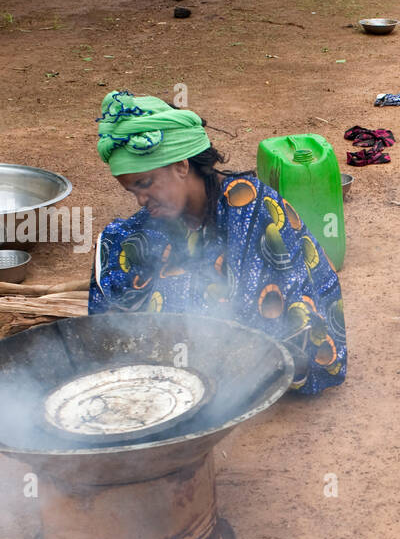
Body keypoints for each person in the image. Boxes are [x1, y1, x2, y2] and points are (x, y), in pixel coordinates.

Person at [88, 91, 345, 395]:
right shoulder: (160, 219)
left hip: (279, 356)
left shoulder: (251, 209)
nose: (142, 200)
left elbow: (253, 310)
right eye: (133, 191)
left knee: (183, 288)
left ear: (181, 166)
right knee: (117, 244)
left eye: (145, 184)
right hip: (204, 353)